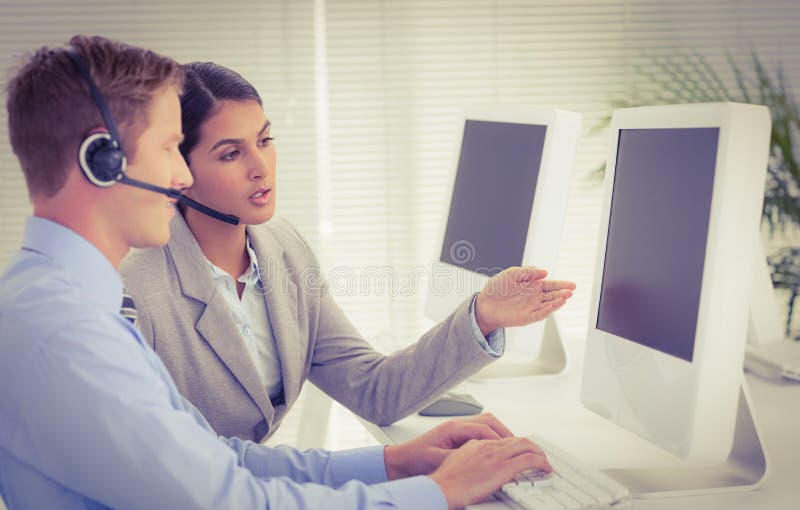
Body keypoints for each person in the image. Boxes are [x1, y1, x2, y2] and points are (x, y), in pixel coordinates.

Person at [0, 35, 552, 510]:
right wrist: (436, 492)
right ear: (103, 161)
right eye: (171, 148)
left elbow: (216, 461)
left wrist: (397, 464)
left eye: (263, 141)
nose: (181, 176)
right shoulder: (70, 332)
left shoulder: (70, 308)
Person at [119, 61, 577, 442]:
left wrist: (483, 315)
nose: (262, 168)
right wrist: (390, 464)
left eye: (264, 140)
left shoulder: (284, 251)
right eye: (231, 154)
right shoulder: (137, 289)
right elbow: (167, 463)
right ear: (179, 166)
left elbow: (374, 388)